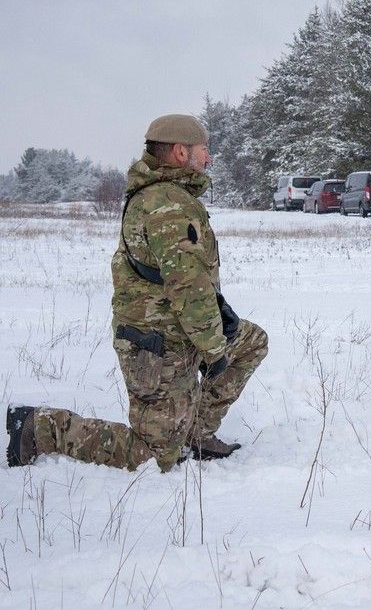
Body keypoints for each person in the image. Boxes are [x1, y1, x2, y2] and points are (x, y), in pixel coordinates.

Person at [6, 114, 268, 471]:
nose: (208, 158)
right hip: (156, 344)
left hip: (181, 329)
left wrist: (217, 323)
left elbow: (188, 280)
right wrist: (213, 347)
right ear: (180, 152)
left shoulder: (168, 196)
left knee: (251, 342)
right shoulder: (168, 204)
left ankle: (193, 432)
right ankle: (40, 428)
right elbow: (188, 287)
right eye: (204, 149)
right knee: (155, 457)